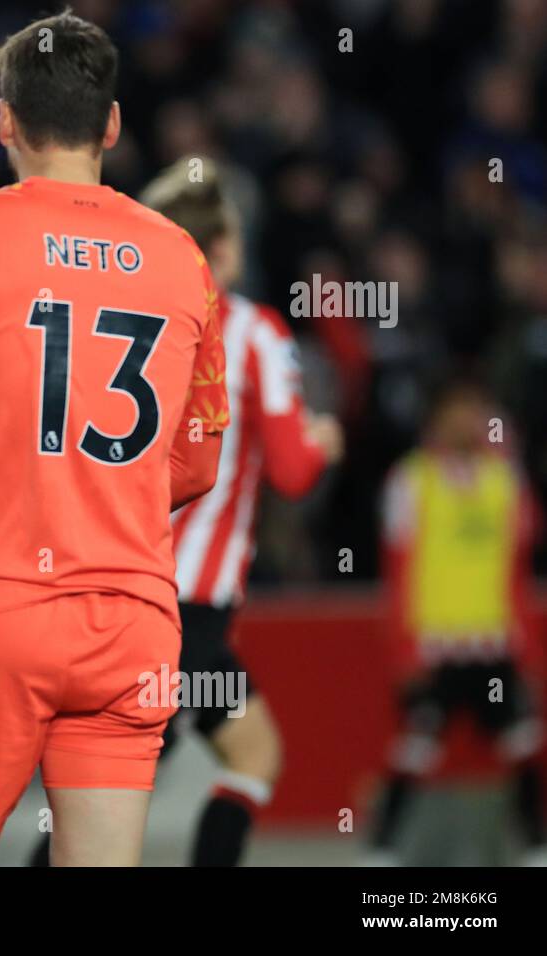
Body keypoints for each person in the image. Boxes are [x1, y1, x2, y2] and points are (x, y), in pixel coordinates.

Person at [0, 11, 228, 866]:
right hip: (133, 621)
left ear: (5, 121)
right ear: (112, 124)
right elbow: (198, 459)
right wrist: (101, 502)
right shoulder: (182, 259)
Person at [145, 158, 342, 866]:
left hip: (120, 585)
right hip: (190, 605)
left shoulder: (128, 322)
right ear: (225, 247)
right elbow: (291, 472)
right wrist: (323, 439)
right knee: (118, 791)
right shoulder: (252, 332)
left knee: (241, 753)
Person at [369, 379, 546, 865]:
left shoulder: (505, 481)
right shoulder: (410, 481)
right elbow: (397, 572)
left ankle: (534, 851)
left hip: (493, 645)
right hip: (434, 646)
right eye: (458, 410)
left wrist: (528, 650)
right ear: (436, 418)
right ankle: (379, 855)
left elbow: (517, 573)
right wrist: (403, 650)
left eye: (477, 411)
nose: (468, 421)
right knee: (414, 752)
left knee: (525, 747)